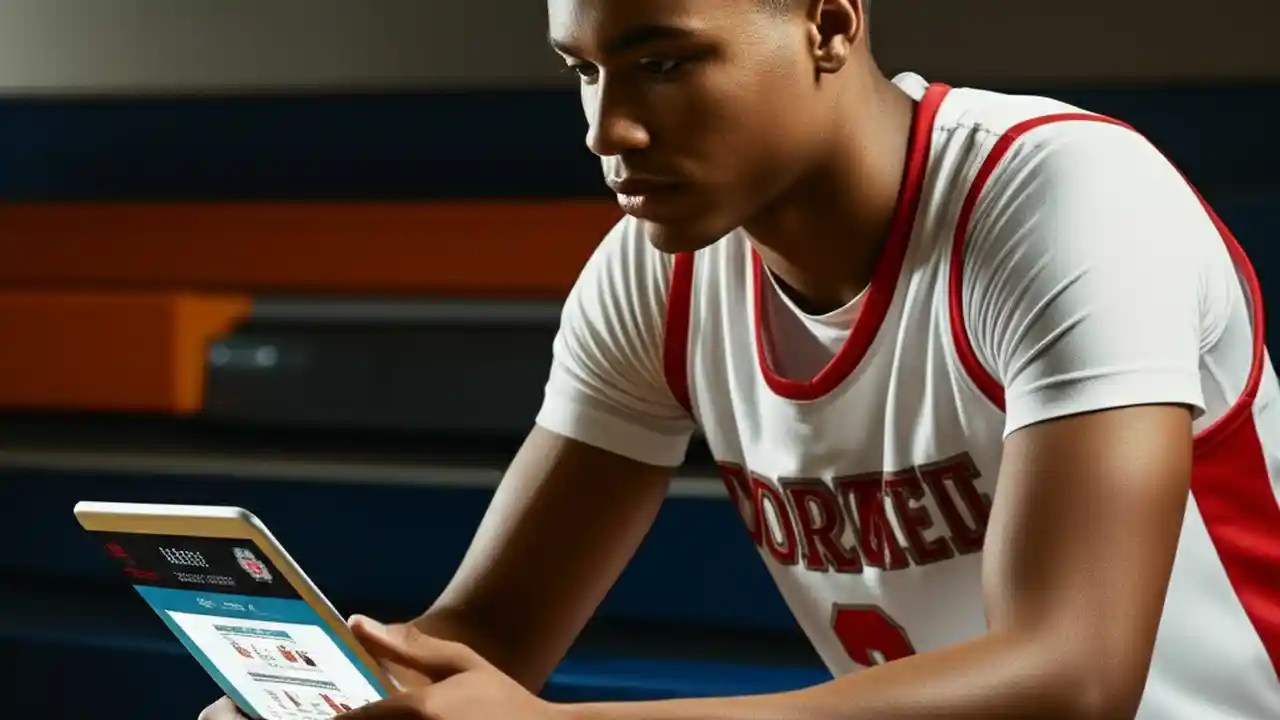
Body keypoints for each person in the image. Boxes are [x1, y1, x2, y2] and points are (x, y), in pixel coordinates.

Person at [203, 0, 1280, 717]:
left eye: (662, 62)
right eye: (581, 71)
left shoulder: (1064, 198)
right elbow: (489, 634)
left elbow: (1073, 676)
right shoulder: (657, 273)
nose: (606, 129)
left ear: (827, 20)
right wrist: (348, 694)